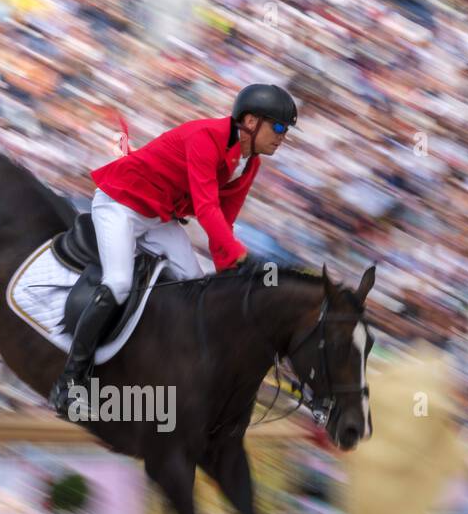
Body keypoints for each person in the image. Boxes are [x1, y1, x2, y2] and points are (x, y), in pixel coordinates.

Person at [49, 84, 298, 416]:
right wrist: (241, 257)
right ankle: (70, 381)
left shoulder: (249, 162)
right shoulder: (206, 137)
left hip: (158, 217)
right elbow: (207, 209)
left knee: (194, 286)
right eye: (279, 127)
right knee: (119, 283)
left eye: (286, 130)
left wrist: (231, 273)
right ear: (251, 121)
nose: (283, 136)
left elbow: (225, 220)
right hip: (121, 205)